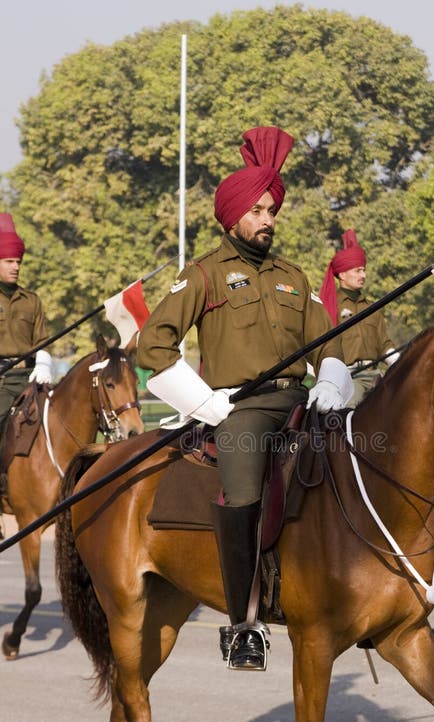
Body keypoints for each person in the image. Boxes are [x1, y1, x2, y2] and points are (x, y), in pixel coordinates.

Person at [137, 126, 353, 671]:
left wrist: (330, 380)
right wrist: (205, 404)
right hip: (242, 410)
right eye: (257, 211)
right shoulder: (204, 274)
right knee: (242, 492)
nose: (267, 220)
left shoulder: (293, 276)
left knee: (364, 455)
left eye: (271, 211)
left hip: (302, 400)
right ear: (233, 216)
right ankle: (243, 625)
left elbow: (328, 342)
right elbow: (153, 344)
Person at [319, 229, 397, 405]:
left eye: (364, 270)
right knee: (349, 409)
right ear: (342, 275)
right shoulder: (329, 307)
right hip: (348, 377)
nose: (363, 275)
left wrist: (403, 363)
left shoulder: (372, 308)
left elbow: (385, 345)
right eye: (358, 271)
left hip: (377, 376)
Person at [0, 213, 52, 432]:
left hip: (30, 377)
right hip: (2, 381)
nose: (16, 267)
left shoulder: (32, 300)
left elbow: (42, 340)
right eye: (9, 262)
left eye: (18, 262)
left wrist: (43, 364)